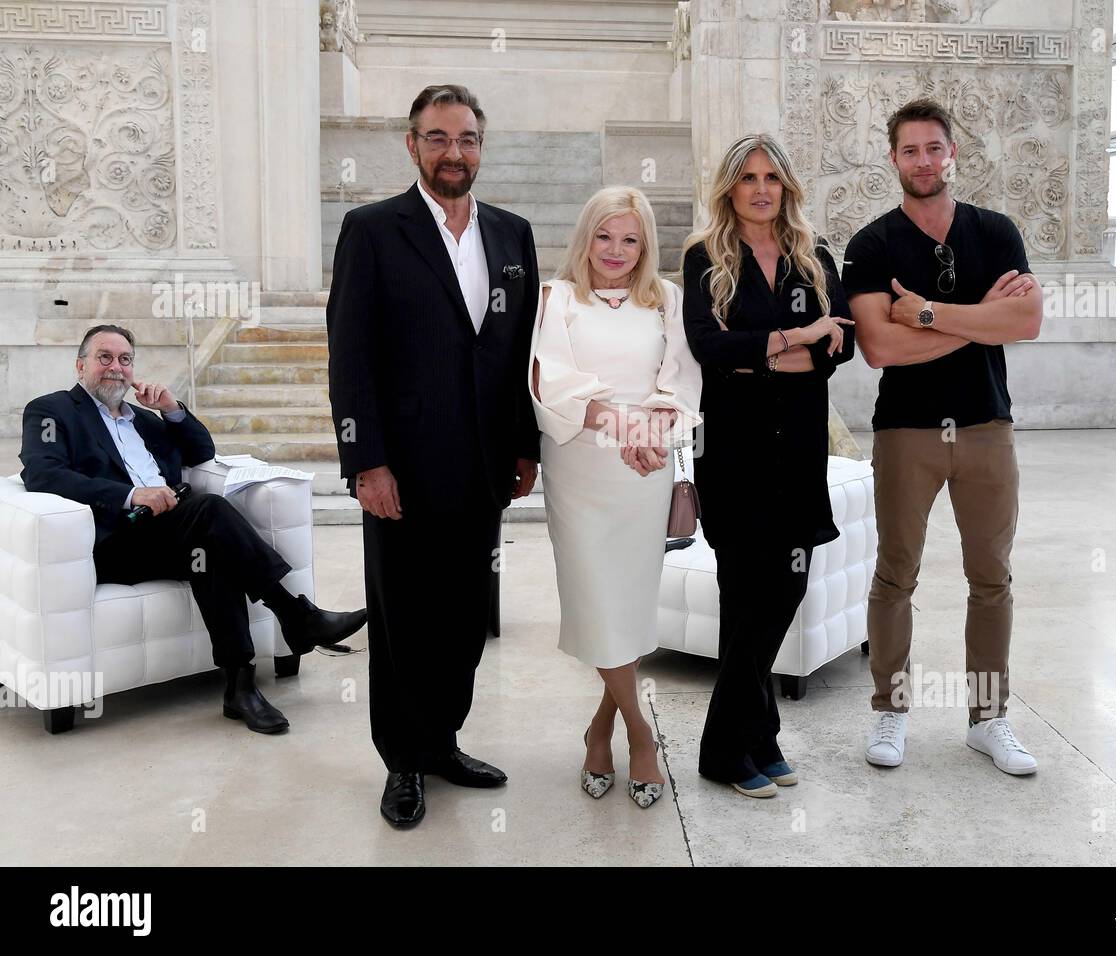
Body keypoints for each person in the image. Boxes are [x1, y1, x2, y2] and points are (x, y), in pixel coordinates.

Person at [326, 84, 542, 829]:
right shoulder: (372, 230)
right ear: (412, 143)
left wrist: (524, 444)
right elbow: (350, 356)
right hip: (402, 470)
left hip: (482, 467)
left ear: (483, 146)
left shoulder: (513, 236)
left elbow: (516, 357)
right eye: (439, 137)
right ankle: (403, 762)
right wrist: (366, 462)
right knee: (402, 620)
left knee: (461, 617)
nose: (455, 152)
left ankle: (444, 740)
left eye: (468, 139)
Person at [19, 324, 368, 733]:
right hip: (114, 540)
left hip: (174, 533)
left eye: (125, 360)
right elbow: (44, 475)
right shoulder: (52, 410)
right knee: (209, 514)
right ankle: (296, 614)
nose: (116, 368)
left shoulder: (145, 422)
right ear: (81, 366)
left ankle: (241, 687)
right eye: (105, 358)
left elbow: (202, 451)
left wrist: (171, 409)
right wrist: (131, 495)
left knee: (211, 552)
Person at [841, 98, 1044, 776]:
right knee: (895, 576)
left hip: (987, 425)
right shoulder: (871, 244)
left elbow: (1027, 322)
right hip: (906, 433)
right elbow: (879, 347)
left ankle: (989, 721)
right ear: (892, 158)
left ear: (953, 153)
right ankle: (890, 711)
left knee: (991, 577)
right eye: (910, 150)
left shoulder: (997, 231)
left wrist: (928, 313)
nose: (924, 161)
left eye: (935, 148)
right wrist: (981, 316)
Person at [681, 133, 855, 798]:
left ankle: (746, 736)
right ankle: (738, 745)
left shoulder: (815, 257)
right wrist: (800, 338)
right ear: (730, 187)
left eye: (772, 178)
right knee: (745, 599)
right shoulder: (706, 258)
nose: (760, 189)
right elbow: (709, 348)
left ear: (786, 187)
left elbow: (842, 347)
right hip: (733, 454)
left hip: (799, 453)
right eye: (748, 177)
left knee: (786, 589)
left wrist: (772, 351)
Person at [529, 186, 702, 809]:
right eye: (605, 235)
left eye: (631, 239)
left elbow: (680, 378)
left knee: (624, 606)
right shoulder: (559, 298)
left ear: (646, 246)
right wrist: (625, 428)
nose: (616, 250)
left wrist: (647, 431)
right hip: (580, 467)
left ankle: (601, 728)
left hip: (645, 469)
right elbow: (552, 380)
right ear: (586, 235)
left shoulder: (667, 300)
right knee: (594, 598)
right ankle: (640, 734)